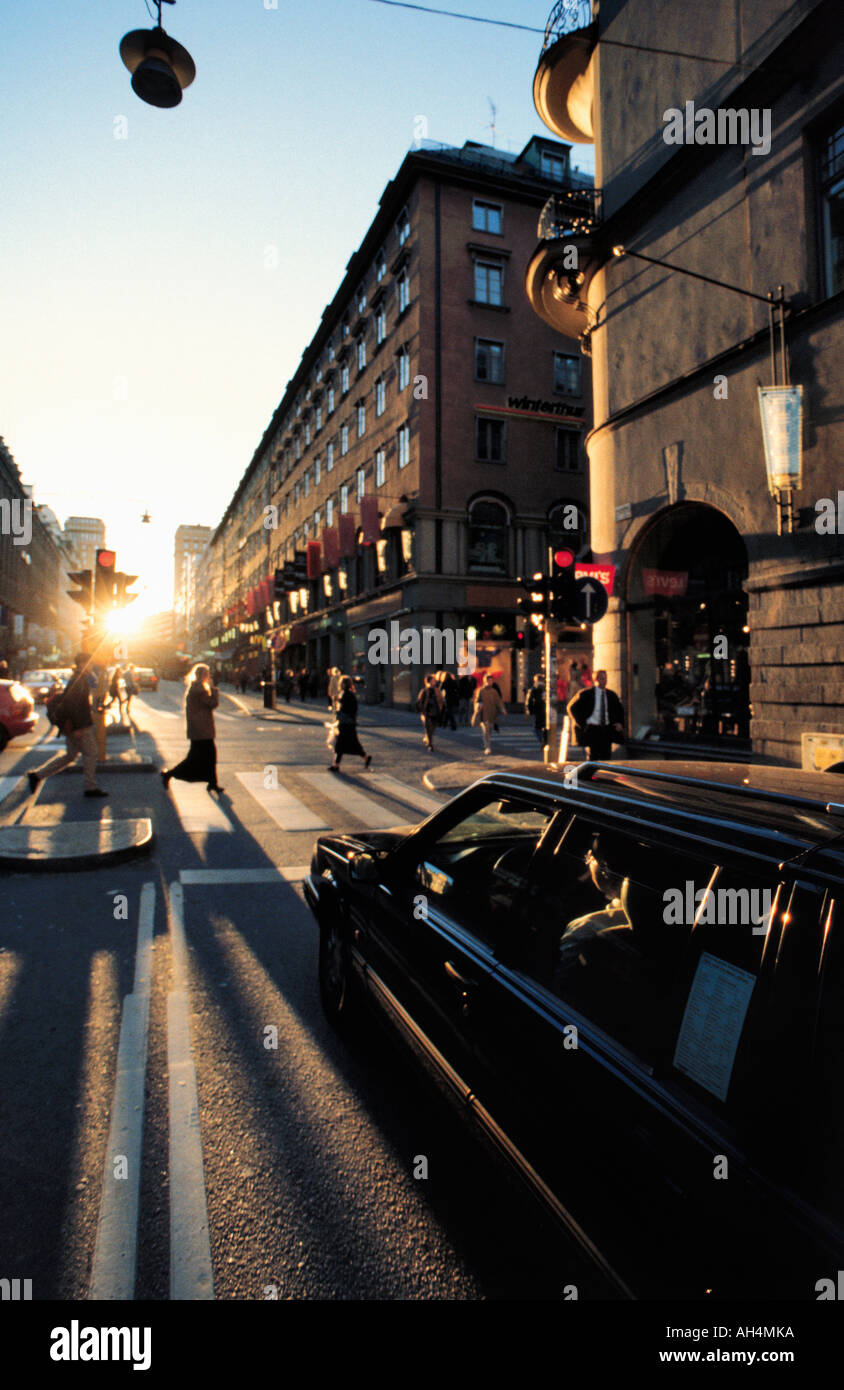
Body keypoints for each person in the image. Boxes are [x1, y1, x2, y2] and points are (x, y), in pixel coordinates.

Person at [28, 652, 107, 798]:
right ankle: (90, 787)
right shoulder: (79, 680)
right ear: (83, 664)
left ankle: (38, 775)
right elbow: (74, 706)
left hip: (75, 725)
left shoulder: (78, 678)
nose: (92, 665)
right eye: (89, 663)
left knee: (70, 756)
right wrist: (78, 728)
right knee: (91, 754)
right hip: (81, 726)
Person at [161, 663, 225, 794]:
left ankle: (212, 782)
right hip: (201, 730)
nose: (209, 677)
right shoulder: (199, 689)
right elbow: (212, 703)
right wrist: (213, 690)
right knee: (200, 758)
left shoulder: (194, 687)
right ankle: (169, 774)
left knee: (206, 757)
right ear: (204, 675)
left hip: (198, 730)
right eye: (207, 674)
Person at [567, 669, 624, 761]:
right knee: (593, 756)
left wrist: (619, 723)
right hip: (592, 729)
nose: (603, 681)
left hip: (606, 729)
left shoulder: (611, 695)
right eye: (601, 679)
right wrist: (582, 723)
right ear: (595, 680)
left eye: (605, 679)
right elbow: (571, 708)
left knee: (606, 756)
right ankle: (593, 774)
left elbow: (619, 710)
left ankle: (604, 774)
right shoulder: (586, 694)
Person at [330, 676, 371, 772]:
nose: (340, 685)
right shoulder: (348, 694)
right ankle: (365, 757)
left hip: (346, 723)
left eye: (341, 683)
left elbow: (348, 709)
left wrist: (339, 712)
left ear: (345, 684)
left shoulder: (347, 695)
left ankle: (336, 765)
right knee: (349, 744)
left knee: (342, 744)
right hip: (348, 723)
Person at [472, 672, 506, 756]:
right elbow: (476, 701)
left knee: (489, 730)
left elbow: (498, 702)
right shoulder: (481, 691)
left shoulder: (494, 691)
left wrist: (502, 709)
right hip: (484, 714)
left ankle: (487, 743)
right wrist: (478, 707)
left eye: (491, 681)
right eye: (488, 681)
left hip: (492, 713)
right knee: (486, 730)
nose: (489, 682)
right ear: (485, 681)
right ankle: (487, 747)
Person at [417, 674, 443, 751]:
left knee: (433, 729)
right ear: (428, 682)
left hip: (435, 712)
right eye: (432, 681)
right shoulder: (424, 691)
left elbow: (441, 700)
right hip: (427, 713)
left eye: (434, 681)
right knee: (428, 728)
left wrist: (441, 708)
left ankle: (427, 738)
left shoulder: (437, 690)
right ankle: (430, 745)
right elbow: (419, 702)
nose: (434, 682)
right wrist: (422, 711)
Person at [526, 673, 547, 749]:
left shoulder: (534, 688)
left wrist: (530, 710)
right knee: (544, 727)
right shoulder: (546, 688)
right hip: (545, 710)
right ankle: (544, 740)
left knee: (536, 728)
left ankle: (542, 740)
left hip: (537, 710)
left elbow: (529, 700)